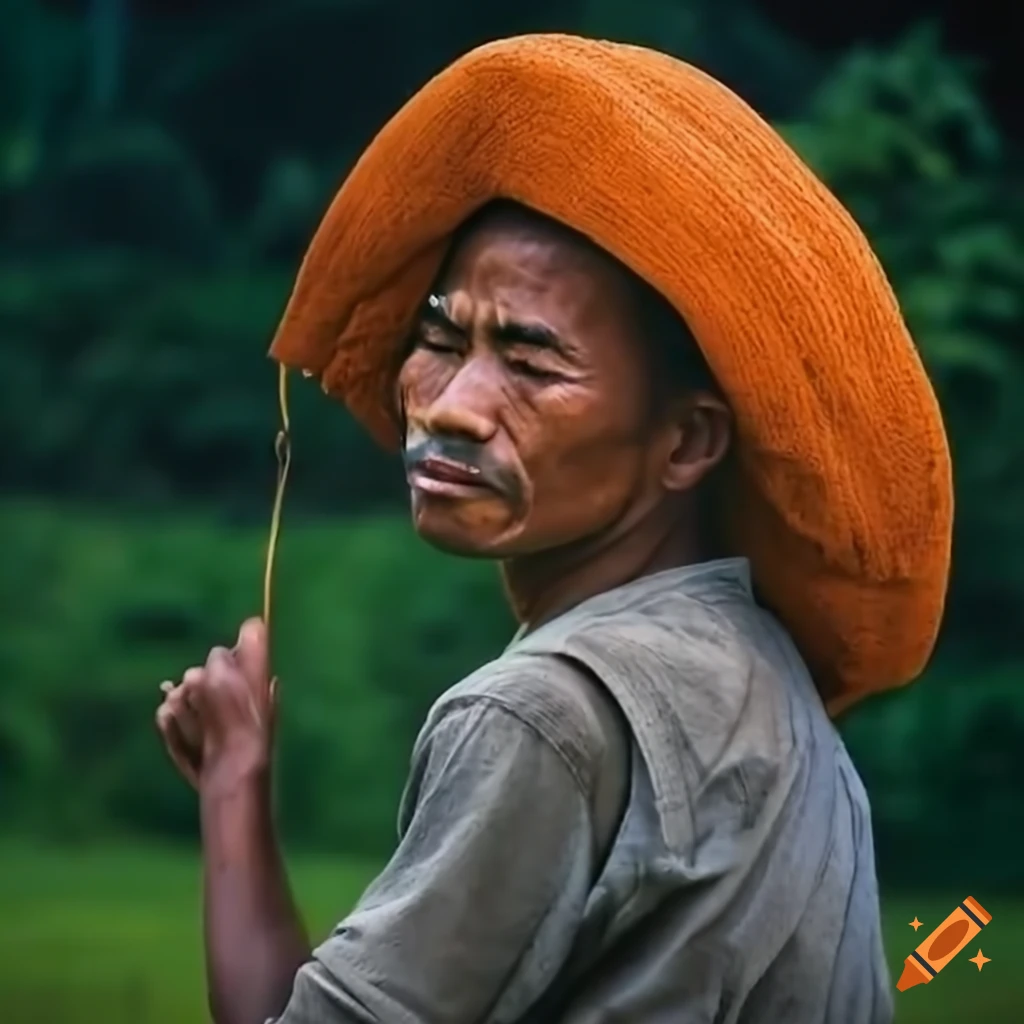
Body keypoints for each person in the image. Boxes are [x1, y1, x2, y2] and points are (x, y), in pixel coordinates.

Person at [154, 34, 953, 1024]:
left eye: (530, 363)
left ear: (686, 441)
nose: (452, 403)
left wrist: (232, 784)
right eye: (441, 339)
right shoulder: (765, 678)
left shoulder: (546, 712)